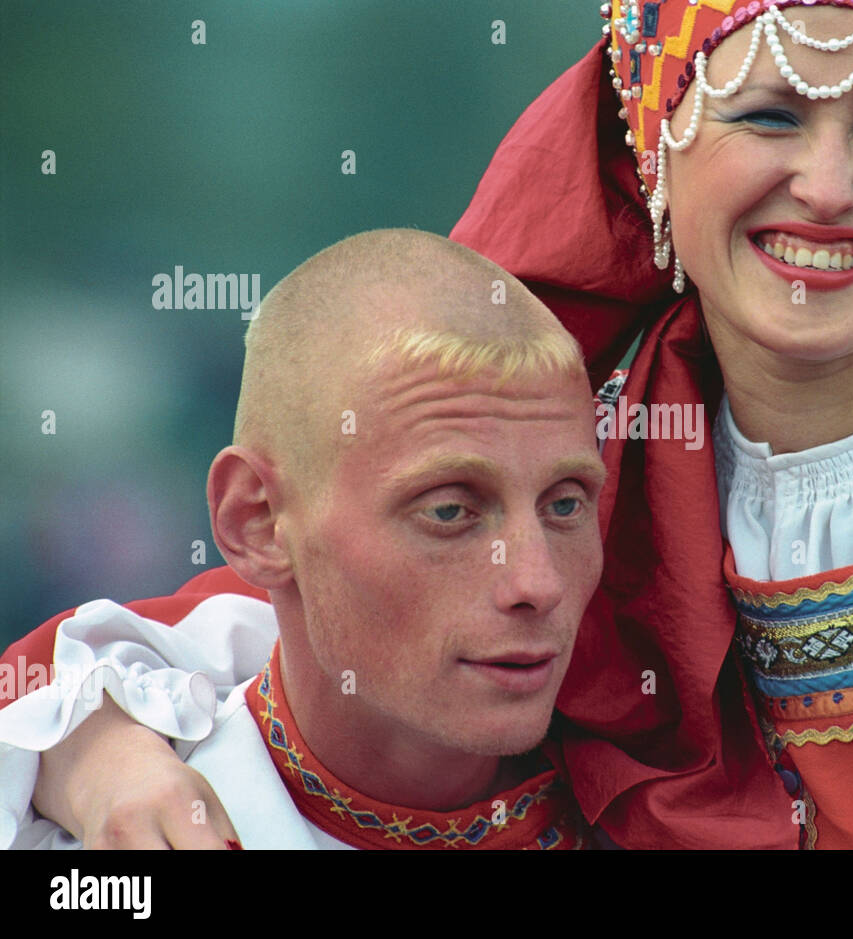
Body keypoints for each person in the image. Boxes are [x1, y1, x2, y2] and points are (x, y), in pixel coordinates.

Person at [6, 0, 853, 849]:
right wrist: (101, 757)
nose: (829, 184)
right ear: (652, 145)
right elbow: (257, 614)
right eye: (769, 115)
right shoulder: (603, 446)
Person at [0, 229, 605, 849]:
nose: (538, 583)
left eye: (565, 504)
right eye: (449, 511)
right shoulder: (100, 839)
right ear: (257, 523)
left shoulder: (655, 796)